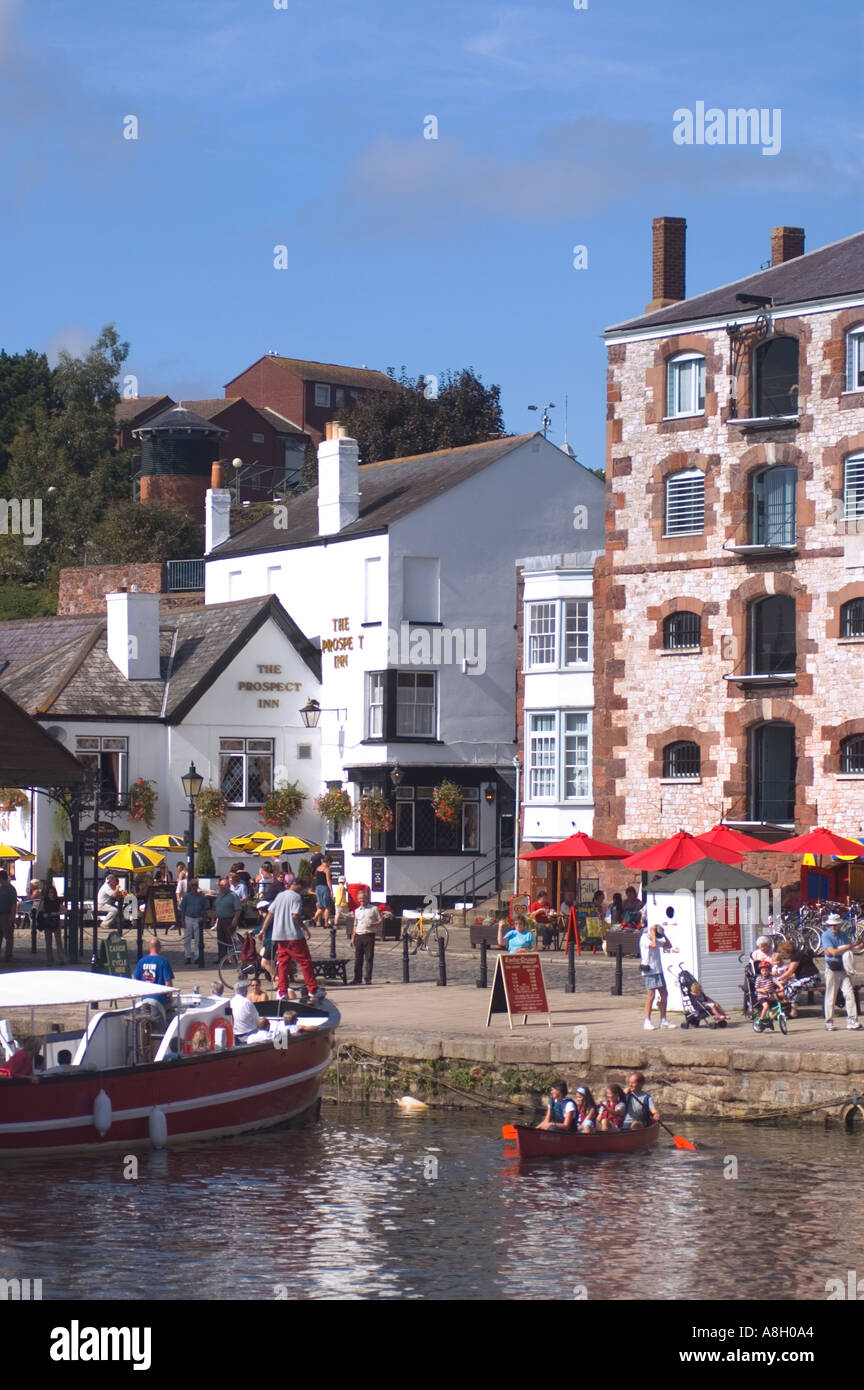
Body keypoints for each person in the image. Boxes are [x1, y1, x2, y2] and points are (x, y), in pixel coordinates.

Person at [259, 884, 324, 1003]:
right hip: (293, 935)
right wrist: (304, 928)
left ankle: (282, 992)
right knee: (305, 962)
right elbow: (295, 915)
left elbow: (270, 913)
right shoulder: (296, 897)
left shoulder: (279, 896)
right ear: (300, 887)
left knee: (283, 964)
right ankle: (312, 989)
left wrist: (263, 930)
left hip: (280, 936)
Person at [820, 911, 863, 1032]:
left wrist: (852, 948)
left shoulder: (843, 935)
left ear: (839, 924)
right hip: (832, 968)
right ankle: (828, 1021)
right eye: (831, 925)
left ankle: (852, 1020)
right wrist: (846, 948)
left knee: (849, 994)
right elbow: (832, 952)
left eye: (835, 925)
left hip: (844, 967)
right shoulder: (826, 935)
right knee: (831, 996)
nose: (833, 927)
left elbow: (836, 951)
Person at [640, 921, 676, 1030]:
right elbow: (653, 945)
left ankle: (663, 1019)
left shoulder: (655, 937)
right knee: (651, 996)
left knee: (664, 993)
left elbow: (668, 945)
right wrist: (652, 934)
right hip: (649, 970)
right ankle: (647, 1020)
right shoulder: (644, 938)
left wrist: (663, 934)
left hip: (658, 970)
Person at [132, 938, 174, 1029]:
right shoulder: (163, 961)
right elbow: (168, 983)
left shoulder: (142, 961)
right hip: (158, 999)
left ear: (149, 947)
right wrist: (170, 997)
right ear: (159, 948)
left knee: (145, 1027)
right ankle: (156, 1042)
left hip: (145, 999)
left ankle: (145, 1041)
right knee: (157, 1029)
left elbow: (136, 978)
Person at [774, 938, 819, 1019]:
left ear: (788, 951)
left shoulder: (796, 956)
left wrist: (778, 979)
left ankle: (792, 1011)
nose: (783, 955)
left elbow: (790, 971)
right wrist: (787, 979)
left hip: (812, 978)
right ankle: (790, 1010)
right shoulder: (797, 955)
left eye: (783, 952)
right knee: (788, 987)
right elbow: (796, 973)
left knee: (792, 987)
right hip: (805, 977)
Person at [351, 888, 381, 986]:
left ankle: (368, 979)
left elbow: (380, 921)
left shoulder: (373, 909)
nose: (362, 901)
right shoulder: (357, 911)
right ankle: (357, 979)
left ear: (367, 899)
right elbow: (355, 925)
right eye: (360, 899)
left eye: (363, 899)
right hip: (359, 935)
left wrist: (373, 924)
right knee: (358, 959)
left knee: (369, 958)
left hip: (369, 935)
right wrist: (352, 938)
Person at [179, 877, 207, 965]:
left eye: (196, 885)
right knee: (187, 938)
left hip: (198, 919)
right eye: (192, 885)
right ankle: (187, 956)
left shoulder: (201, 897)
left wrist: (205, 921)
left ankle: (197, 956)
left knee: (198, 939)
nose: (194, 887)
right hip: (188, 918)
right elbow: (182, 909)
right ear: (190, 886)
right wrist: (182, 920)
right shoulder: (186, 897)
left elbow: (205, 909)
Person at [213, 878, 243, 960]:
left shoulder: (233, 895)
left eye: (224, 885)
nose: (222, 887)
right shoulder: (219, 895)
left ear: (228, 886)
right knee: (221, 940)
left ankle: (232, 957)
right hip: (220, 920)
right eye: (220, 885)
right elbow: (216, 908)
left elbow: (238, 909)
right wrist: (215, 919)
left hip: (229, 920)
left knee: (230, 940)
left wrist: (235, 919)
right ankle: (221, 958)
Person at [230, 979, 265, 1044]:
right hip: (248, 1035)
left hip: (235, 1035)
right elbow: (256, 1019)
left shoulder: (230, 1002)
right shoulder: (247, 1002)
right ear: (245, 991)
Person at [39, 881, 65, 966]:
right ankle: (50, 960)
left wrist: (55, 913)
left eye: (52, 892)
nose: (51, 894)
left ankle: (61, 959)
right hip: (47, 923)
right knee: (48, 942)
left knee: (58, 941)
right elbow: (40, 910)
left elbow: (64, 910)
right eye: (50, 893)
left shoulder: (58, 901)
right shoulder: (45, 901)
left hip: (56, 922)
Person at [753, 960, 782, 1030]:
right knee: (766, 1006)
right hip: (762, 996)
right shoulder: (759, 978)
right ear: (760, 971)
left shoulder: (771, 977)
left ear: (769, 971)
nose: (765, 972)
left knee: (777, 1004)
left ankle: (770, 1020)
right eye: (763, 971)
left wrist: (781, 987)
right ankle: (762, 1020)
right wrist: (761, 990)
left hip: (770, 996)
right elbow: (756, 988)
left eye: (766, 970)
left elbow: (777, 982)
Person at [313, 853, 335, 930]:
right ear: (328, 862)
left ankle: (314, 917)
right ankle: (326, 923)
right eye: (330, 863)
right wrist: (331, 890)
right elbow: (328, 880)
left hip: (318, 887)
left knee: (321, 906)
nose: (330, 864)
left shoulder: (318, 868)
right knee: (327, 906)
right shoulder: (327, 869)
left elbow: (316, 878)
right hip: (324, 887)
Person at [0, 870, 17, 963]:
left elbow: (13, 904)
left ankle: (8, 955)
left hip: (6, 915)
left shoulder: (11, 889)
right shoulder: (1, 888)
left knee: (8, 937)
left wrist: (12, 916)